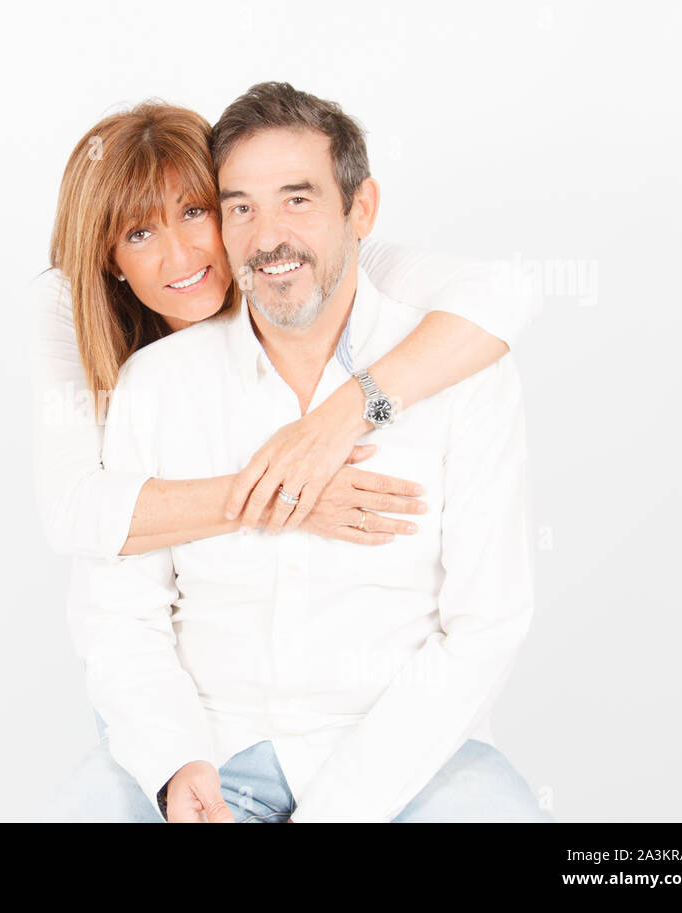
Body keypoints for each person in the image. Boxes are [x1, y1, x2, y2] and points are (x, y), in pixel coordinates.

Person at [45, 82, 550, 823]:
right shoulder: (153, 384)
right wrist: (174, 764)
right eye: (240, 206)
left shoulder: (462, 371)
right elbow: (122, 616)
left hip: (406, 760)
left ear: (361, 211)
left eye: (298, 199)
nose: (267, 235)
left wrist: (342, 808)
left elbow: (485, 623)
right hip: (208, 749)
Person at [32, 101, 540, 565]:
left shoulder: (294, 260)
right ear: (108, 258)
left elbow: (503, 293)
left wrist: (339, 419)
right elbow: (74, 512)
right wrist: (291, 492)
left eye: (194, 212)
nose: (181, 255)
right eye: (139, 233)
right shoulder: (69, 306)